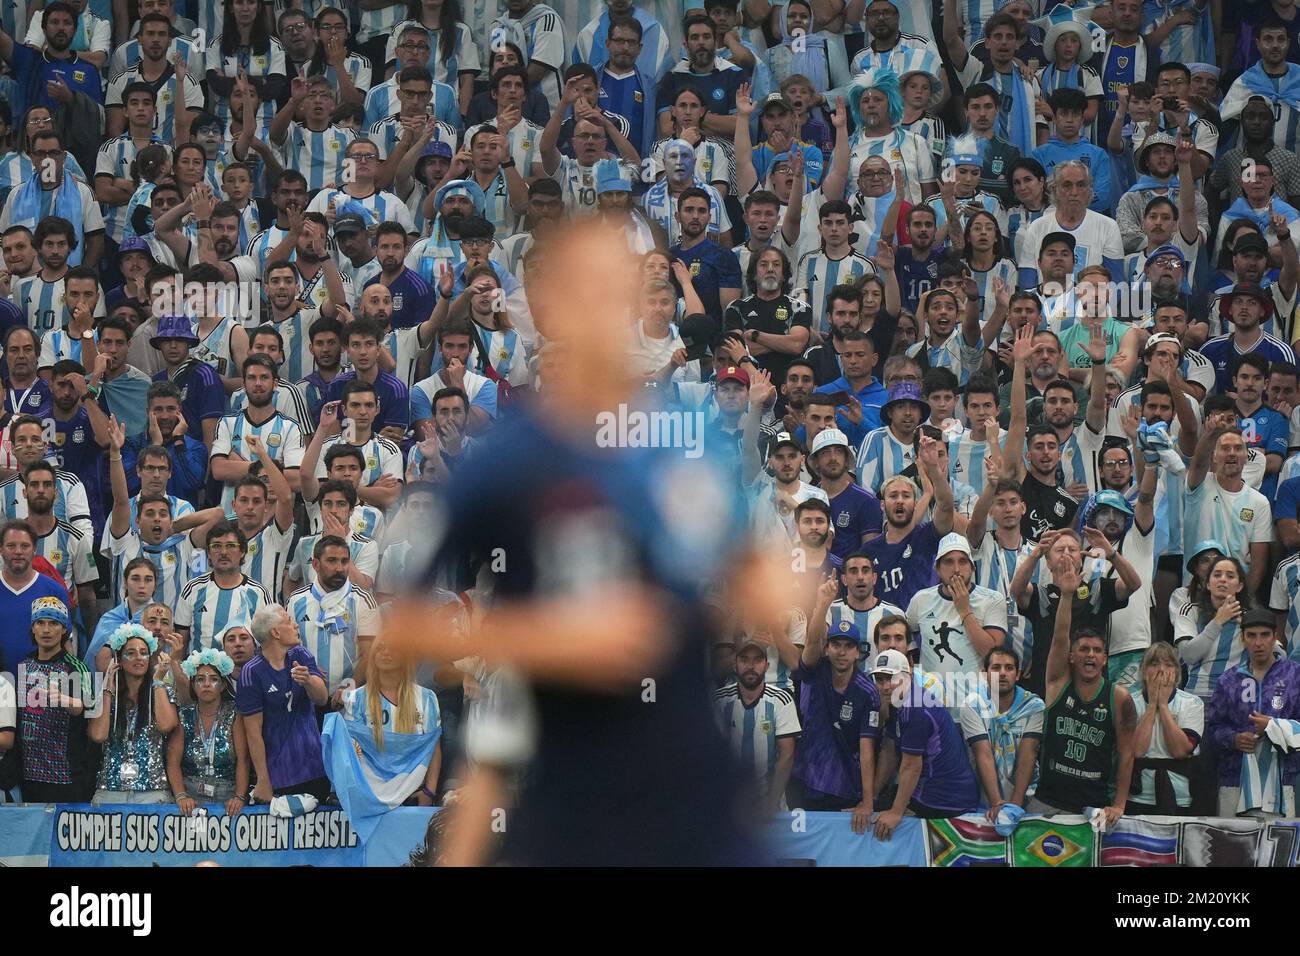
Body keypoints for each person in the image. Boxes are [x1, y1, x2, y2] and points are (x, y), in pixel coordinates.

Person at [1029, 556, 1136, 823]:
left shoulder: (1118, 697)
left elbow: (1126, 753)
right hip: (1047, 802)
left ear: (1105, 658)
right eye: (1084, 649)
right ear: (1072, 657)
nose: (1090, 655)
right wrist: (1066, 596)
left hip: (1095, 808)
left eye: (1097, 651)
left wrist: (1119, 805)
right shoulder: (1057, 684)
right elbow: (1060, 637)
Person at [789, 574, 879, 830]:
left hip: (843, 783)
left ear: (858, 652)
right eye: (836, 645)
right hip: (804, 776)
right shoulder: (816, 670)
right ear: (827, 649)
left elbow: (867, 749)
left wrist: (867, 801)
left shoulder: (867, 692)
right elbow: (811, 641)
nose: (841, 651)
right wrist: (823, 606)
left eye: (847, 646)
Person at [328, 635, 444, 814]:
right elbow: (351, 754)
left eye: (394, 648)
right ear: (373, 655)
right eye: (380, 648)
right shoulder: (355, 699)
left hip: (411, 794)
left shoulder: (427, 698)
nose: (386, 653)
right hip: (367, 795)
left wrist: (429, 791)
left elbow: (433, 748)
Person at [871, 647, 979, 836]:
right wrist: (871, 796)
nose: (885, 686)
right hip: (935, 791)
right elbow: (888, 751)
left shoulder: (916, 708)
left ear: (907, 675)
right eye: (879, 679)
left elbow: (912, 766)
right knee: (869, 802)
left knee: (877, 816)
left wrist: (896, 812)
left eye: (890, 678)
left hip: (947, 801)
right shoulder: (898, 701)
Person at [1206, 608, 1300, 817]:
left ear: (1275, 637)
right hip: (1235, 779)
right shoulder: (1228, 680)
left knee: (1280, 848)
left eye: (1265, 635)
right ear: (1243, 638)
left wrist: (1274, 726)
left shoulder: (1295, 676)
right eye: (1252, 635)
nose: (1258, 643)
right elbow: (1213, 729)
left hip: (1282, 782)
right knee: (1232, 846)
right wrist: (1234, 739)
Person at [237, 603, 330, 805]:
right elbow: (253, 733)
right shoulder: (251, 673)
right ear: (276, 632)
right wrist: (263, 780)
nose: (296, 625)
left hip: (315, 768)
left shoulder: (301, 655)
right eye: (290, 621)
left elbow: (322, 698)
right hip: (279, 774)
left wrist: (308, 681)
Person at [88, 622, 179, 804]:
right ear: (118, 660)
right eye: (130, 653)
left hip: (152, 791)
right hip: (110, 791)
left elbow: (167, 725)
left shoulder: (161, 689)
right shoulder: (106, 694)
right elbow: (98, 735)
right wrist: (107, 691)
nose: (139, 658)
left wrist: (158, 681)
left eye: (144, 653)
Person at [15, 596, 94, 802]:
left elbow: (87, 707)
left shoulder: (76, 667)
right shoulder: (24, 664)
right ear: (33, 628)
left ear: (64, 629)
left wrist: (64, 700)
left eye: (53, 623)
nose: (46, 629)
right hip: (28, 775)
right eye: (40, 623)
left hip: (65, 775)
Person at [287, 535, 381, 700]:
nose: (339, 568)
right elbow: (286, 649)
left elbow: (370, 654)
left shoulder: (363, 600)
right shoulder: (296, 601)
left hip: (349, 698)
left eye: (344, 561)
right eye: (332, 561)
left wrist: (350, 686)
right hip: (304, 697)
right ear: (315, 564)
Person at [714, 635, 800, 815]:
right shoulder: (720, 701)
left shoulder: (781, 700)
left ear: (767, 666)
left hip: (771, 806)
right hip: (726, 806)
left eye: (757, 660)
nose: (751, 666)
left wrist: (771, 803)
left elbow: (787, 754)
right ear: (734, 665)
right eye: (744, 660)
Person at [907, 532, 1008, 680]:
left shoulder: (992, 600)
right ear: (938, 569)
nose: (956, 569)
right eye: (948, 562)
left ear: (972, 567)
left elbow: (992, 655)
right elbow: (904, 634)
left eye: (962, 561)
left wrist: (965, 611)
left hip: (975, 696)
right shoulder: (921, 599)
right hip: (931, 696)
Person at [960, 645, 1044, 818]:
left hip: (1029, 798)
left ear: (1018, 674)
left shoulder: (1034, 706)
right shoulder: (972, 705)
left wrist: (1015, 805)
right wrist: (997, 803)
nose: (1003, 673)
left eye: (1009, 668)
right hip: (984, 800)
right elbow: (982, 754)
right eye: (996, 668)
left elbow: (1029, 755)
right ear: (985, 674)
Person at [167, 647, 248, 815]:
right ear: (192, 685)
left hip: (228, 795)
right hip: (190, 796)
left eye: (213, 679)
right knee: (192, 839)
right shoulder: (184, 714)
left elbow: (243, 759)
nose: (206, 684)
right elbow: (173, 761)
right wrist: (181, 796)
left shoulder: (234, 713)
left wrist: (239, 797)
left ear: (223, 684)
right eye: (200, 679)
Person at [1127, 642, 1202, 814]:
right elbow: (1136, 750)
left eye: (1169, 665)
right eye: (1154, 664)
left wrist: (1163, 705)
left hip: (1180, 795)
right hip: (1138, 796)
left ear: (1176, 672)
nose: (1161, 670)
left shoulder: (1192, 703)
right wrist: (1152, 705)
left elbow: (1180, 751)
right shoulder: (1130, 702)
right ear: (1144, 672)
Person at [174, 520, 270, 653]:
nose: (223, 552)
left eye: (230, 545)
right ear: (208, 552)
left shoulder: (258, 593)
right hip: (201, 672)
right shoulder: (192, 589)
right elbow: (179, 644)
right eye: (216, 546)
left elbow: (268, 645)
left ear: (242, 551)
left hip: (244, 673)